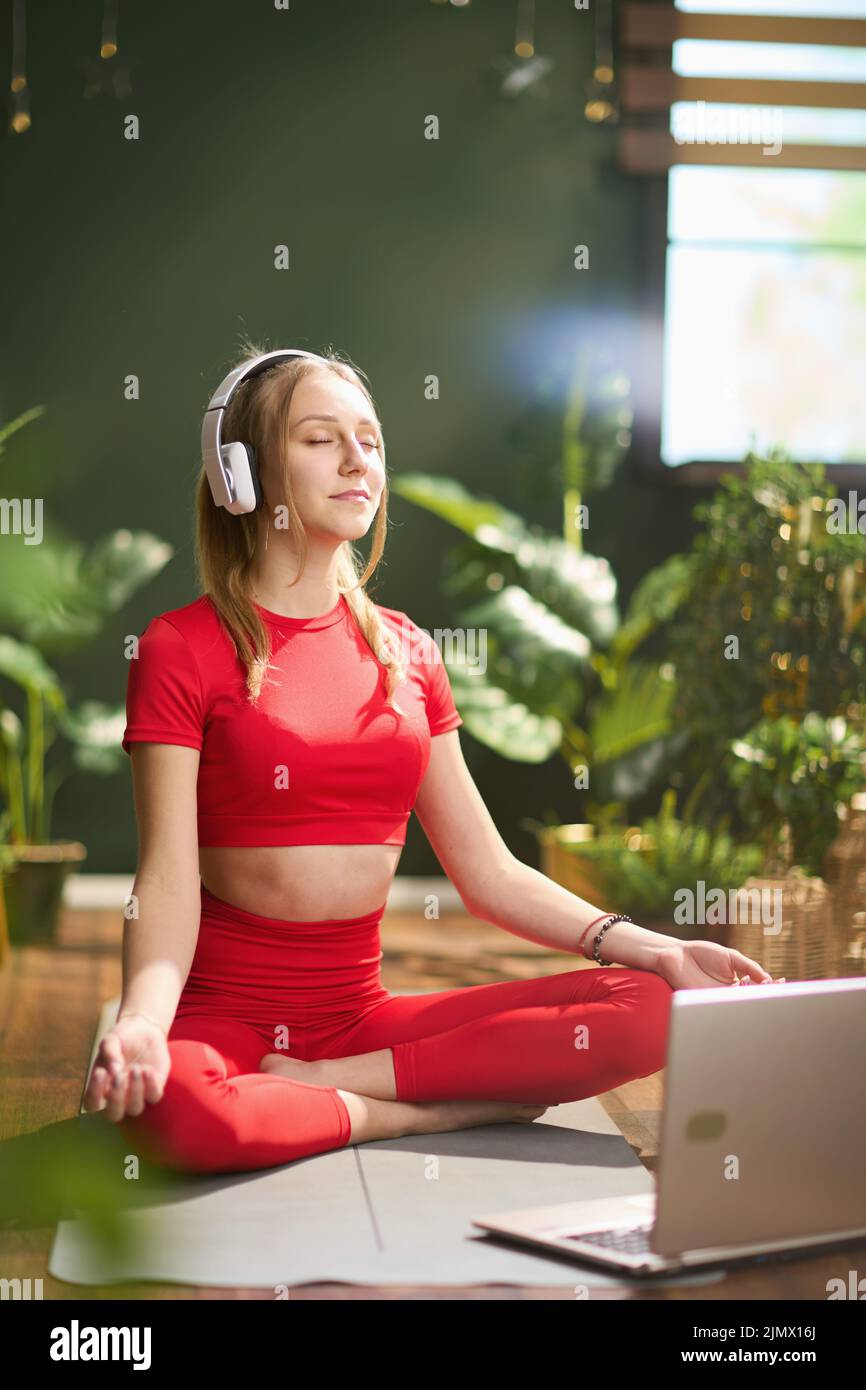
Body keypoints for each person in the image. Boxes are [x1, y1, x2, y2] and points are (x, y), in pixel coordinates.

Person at [84, 343, 780, 1175]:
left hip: (360, 1023)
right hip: (227, 1021)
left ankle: (332, 1089)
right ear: (244, 475)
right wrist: (141, 1024)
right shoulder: (181, 648)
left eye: (370, 440)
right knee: (180, 1110)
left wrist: (653, 946)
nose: (356, 461)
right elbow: (163, 880)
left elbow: (487, 872)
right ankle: (405, 1114)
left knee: (655, 1005)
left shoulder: (409, 652)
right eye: (319, 439)